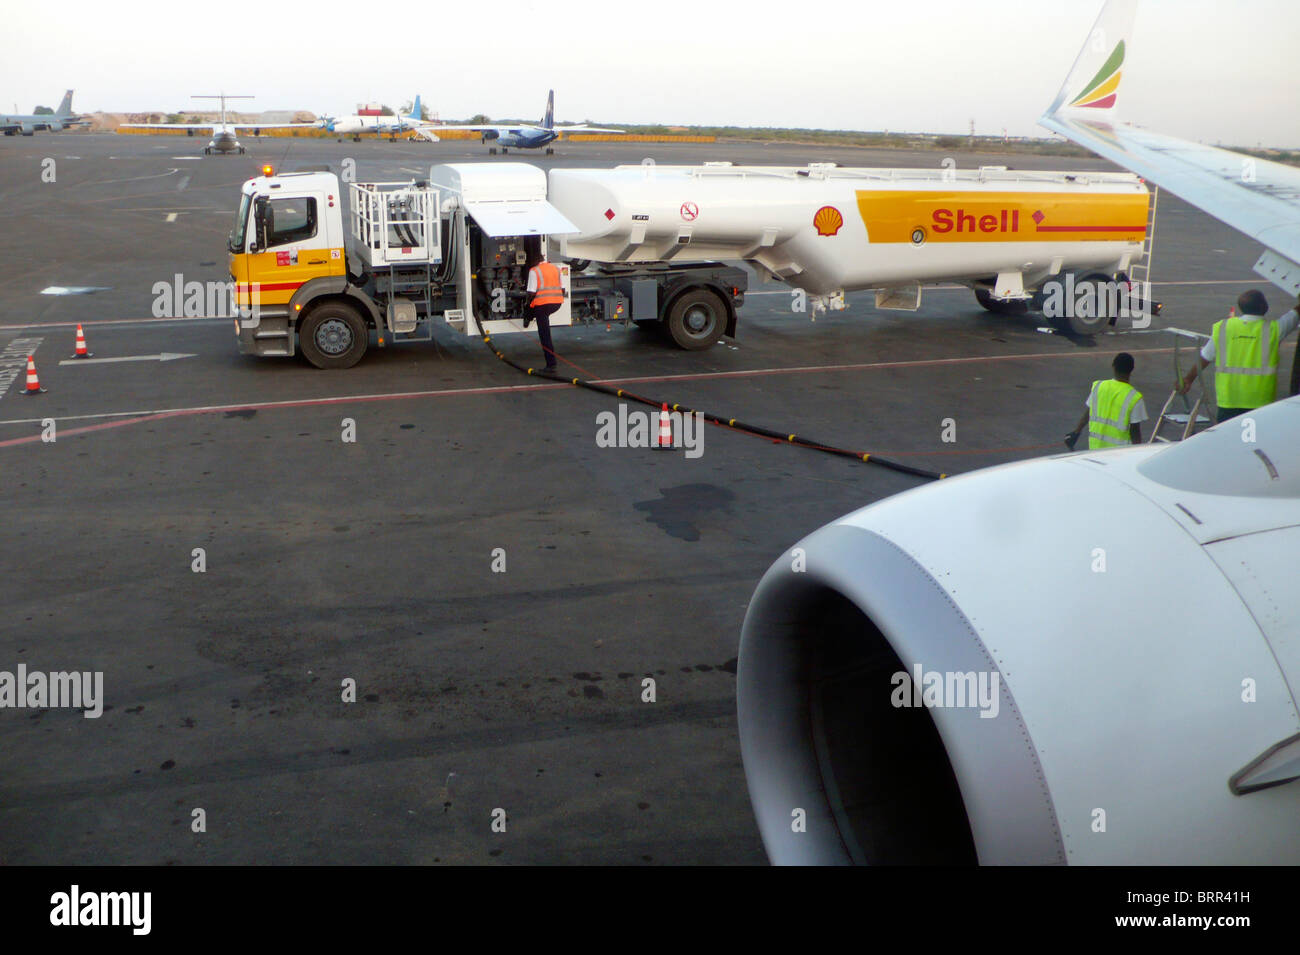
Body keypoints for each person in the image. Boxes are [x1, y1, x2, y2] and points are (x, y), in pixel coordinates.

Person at [1178, 290, 1300, 422]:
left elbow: (1205, 357)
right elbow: (1294, 315)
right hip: (1260, 401)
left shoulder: (1224, 327)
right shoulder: (1274, 329)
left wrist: (1189, 379)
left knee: (1228, 438)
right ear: (1263, 307)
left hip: (1229, 399)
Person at [1065, 352, 1147, 450]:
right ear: (1131, 369)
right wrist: (1138, 451)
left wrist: (1076, 432)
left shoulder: (1099, 387)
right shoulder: (1134, 397)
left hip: (1096, 449)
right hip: (1120, 453)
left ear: (1113, 366)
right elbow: (1135, 431)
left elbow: (1087, 415)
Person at [522, 255, 565, 372]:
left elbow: (530, 293)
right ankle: (529, 317)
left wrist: (527, 306)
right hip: (557, 303)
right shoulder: (556, 269)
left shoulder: (534, 271)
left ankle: (551, 364)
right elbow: (563, 289)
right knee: (538, 313)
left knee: (544, 335)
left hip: (543, 305)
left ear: (535, 261)